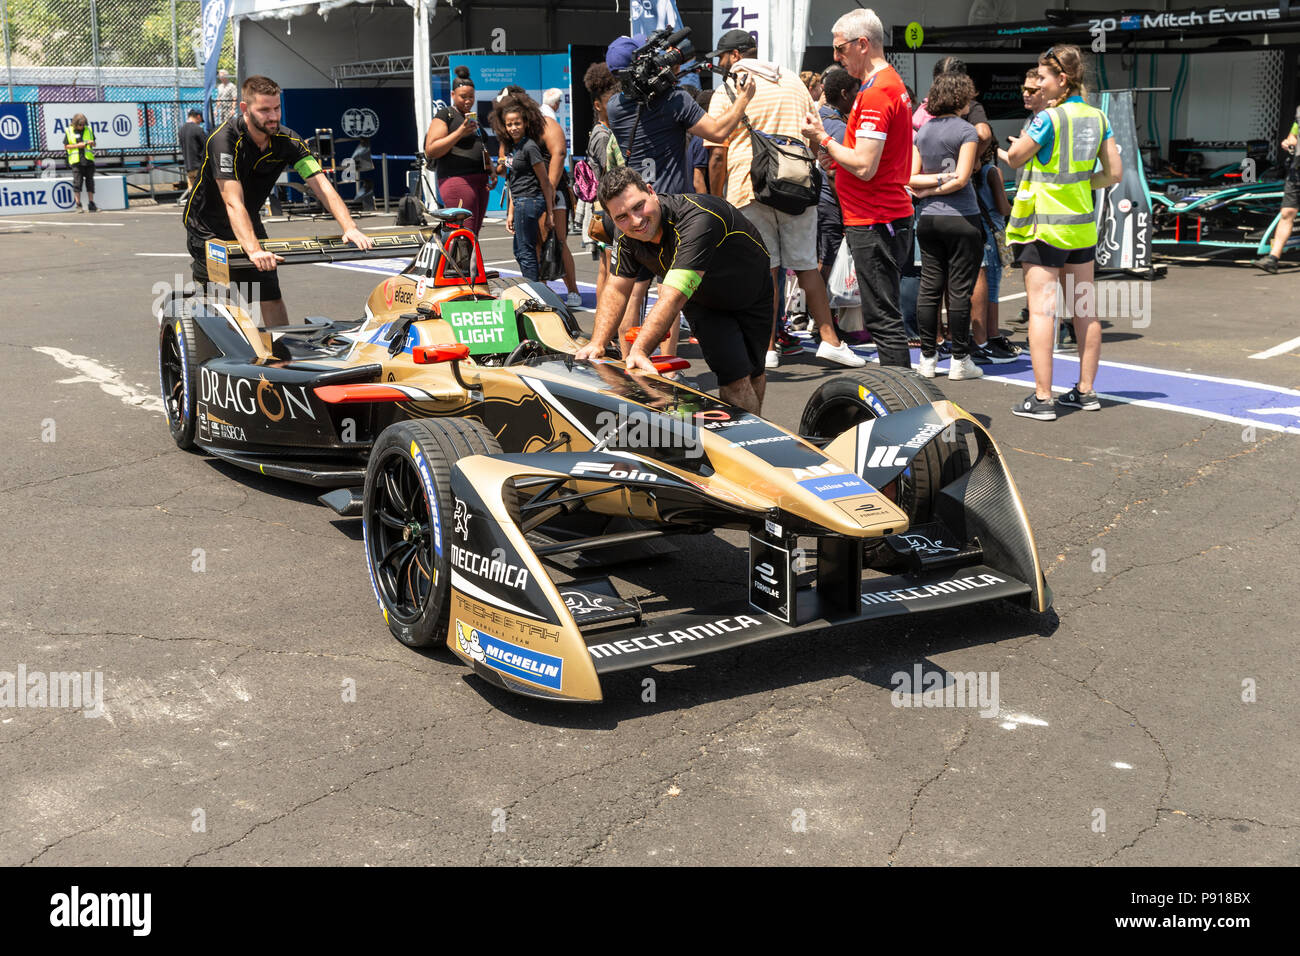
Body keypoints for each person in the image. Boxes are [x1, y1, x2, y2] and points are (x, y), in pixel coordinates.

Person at [705, 29, 864, 370]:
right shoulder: (791, 79)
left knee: (766, 269)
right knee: (806, 265)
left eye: (721, 56)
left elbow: (717, 152)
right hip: (797, 184)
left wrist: (716, 201)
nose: (719, 63)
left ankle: (767, 348)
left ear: (735, 56)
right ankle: (831, 341)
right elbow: (814, 131)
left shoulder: (730, 87)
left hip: (749, 186)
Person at [573, 167, 773, 414]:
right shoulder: (624, 234)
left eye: (638, 207)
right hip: (703, 301)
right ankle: (742, 444)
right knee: (735, 377)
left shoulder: (698, 219)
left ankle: (757, 437)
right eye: (622, 217)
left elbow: (671, 296)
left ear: (651, 192)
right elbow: (617, 288)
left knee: (756, 371)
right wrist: (598, 342)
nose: (635, 221)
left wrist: (640, 349)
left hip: (752, 290)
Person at [183, 75, 373, 328]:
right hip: (206, 228)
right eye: (264, 110)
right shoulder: (224, 141)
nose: (272, 116)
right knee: (220, 303)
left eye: (276, 108)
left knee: (269, 295)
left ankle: (280, 353)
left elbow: (322, 185)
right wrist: (253, 250)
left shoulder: (289, 140)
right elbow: (232, 201)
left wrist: (349, 227)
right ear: (245, 109)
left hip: (247, 221)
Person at [1004, 45, 1122, 421]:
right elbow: (1114, 173)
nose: (1037, 84)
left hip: (1044, 228)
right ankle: (1086, 392)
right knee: (1085, 312)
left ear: (1062, 80)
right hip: (1081, 229)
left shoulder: (1048, 120)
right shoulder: (1098, 117)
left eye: (1042, 78)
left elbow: (1017, 157)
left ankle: (1042, 399)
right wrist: (1083, 182)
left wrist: (1010, 150)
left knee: (1042, 312)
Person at [800, 8, 915, 369]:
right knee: (883, 316)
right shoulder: (883, 86)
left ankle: (904, 409)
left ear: (862, 44)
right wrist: (825, 148)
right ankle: (904, 404)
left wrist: (822, 138)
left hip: (875, 218)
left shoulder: (878, 93)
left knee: (883, 319)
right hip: (878, 215)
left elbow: (864, 165)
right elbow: (862, 162)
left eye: (840, 49)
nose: (836, 57)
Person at [604, 34, 755, 197]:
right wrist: (744, 97)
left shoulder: (614, 107)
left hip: (639, 202)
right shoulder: (674, 99)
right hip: (674, 205)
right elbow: (718, 132)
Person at [907, 71, 984, 381]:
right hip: (962, 217)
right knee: (959, 290)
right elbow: (963, 178)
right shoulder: (967, 131)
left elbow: (911, 179)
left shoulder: (922, 131)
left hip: (927, 218)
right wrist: (942, 183)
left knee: (929, 288)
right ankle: (960, 359)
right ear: (961, 98)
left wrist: (928, 190)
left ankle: (927, 357)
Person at [491, 95, 555, 282]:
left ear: (525, 123)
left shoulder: (529, 147)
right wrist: (510, 212)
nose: (513, 128)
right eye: (509, 124)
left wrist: (550, 213)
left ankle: (534, 292)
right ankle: (533, 288)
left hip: (529, 201)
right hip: (520, 202)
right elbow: (513, 180)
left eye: (517, 123)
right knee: (519, 251)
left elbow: (545, 181)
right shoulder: (514, 147)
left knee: (525, 251)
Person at [424, 65, 494, 234]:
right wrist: (460, 132)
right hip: (456, 180)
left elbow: (480, 145)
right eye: (463, 97)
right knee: (463, 234)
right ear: (453, 95)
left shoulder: (471, 118)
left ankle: (471, 261)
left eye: (471, 97)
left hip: (480, 181)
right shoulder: (445, 115)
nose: (468, 101)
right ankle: (458, 261)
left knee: (472, 234)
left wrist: (490, 168)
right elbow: (431, 150)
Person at [969, 140, 1018, 364]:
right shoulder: (992, 171)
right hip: (993, 231)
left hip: (976, 229)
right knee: (992, 287)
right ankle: (992, 334)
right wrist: (1016, 204)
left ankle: (984, 334)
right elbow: (1002, 207)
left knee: (980, 285)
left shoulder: (971, 173)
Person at [913, 57, 994, 159]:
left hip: (924, 169)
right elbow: (983, 135)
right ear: (963, 81)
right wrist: (972, 159)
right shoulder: (968, 106)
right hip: (954, 169)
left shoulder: (919, 110)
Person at [1254, 110, 1299, 273]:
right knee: (1287, 212)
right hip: (1296, 171)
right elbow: (1292, 136)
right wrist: (1288, 142)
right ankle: (1272, 259)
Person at [63, 113, 96, 213]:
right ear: (75, 124)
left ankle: (91, 204)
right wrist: (78, 145)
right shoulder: (69, 131)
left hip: (88, 160)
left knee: (90, 182)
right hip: (76, 161)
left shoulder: (88, 129)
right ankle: (78, 204)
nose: (82, 126)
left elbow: (94, 143)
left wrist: (91, 143)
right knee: (77, 183)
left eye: (83, 124)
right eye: (80, 125)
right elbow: (66, 146)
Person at [177, 109, 206, 206]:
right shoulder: (198, 130)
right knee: (203, 193)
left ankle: (194, 215)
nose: (199, 122)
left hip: (189, 166)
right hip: (200, 166)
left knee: (193, 194)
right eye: (200, 120)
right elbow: (206, 147)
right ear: (198, 116)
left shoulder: (181, 130)